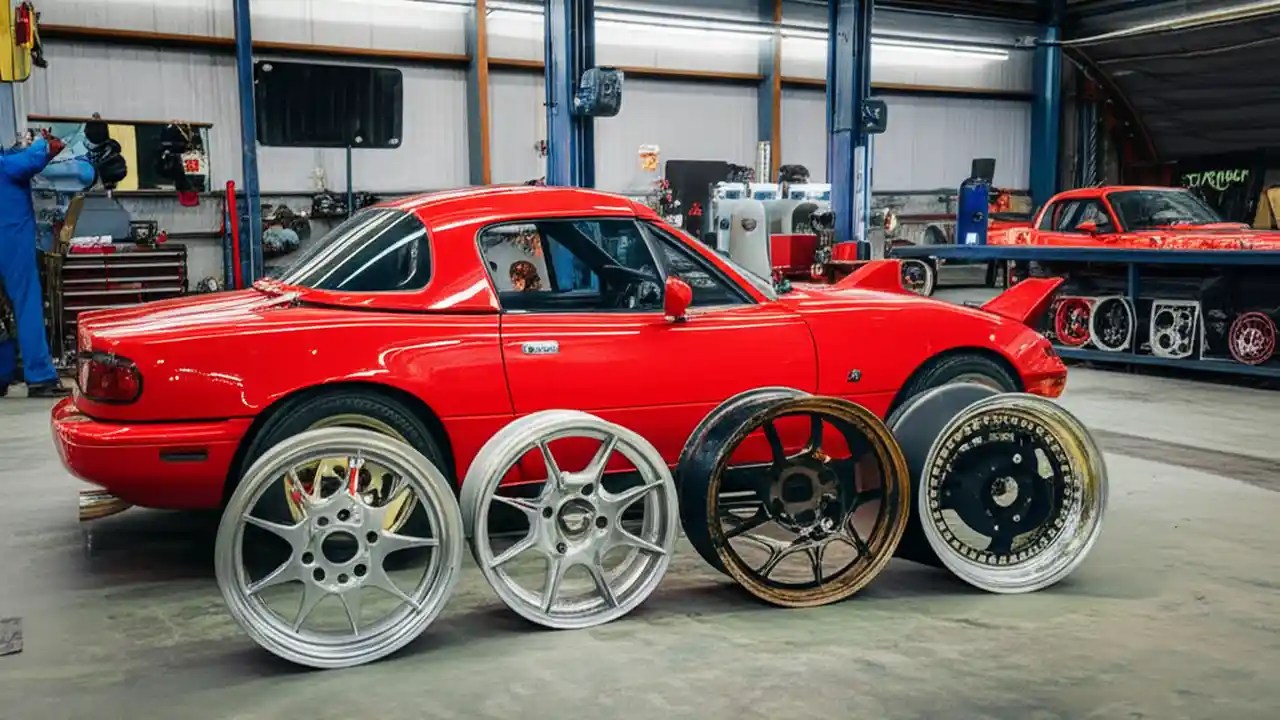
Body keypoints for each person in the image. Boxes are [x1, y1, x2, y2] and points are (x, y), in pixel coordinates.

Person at [0, 129, 69, 398]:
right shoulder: (7, 166)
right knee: (26, 304)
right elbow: (38, 156)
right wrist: (44, 143)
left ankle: (3, 375)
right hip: (12, 243)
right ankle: (40, 376)